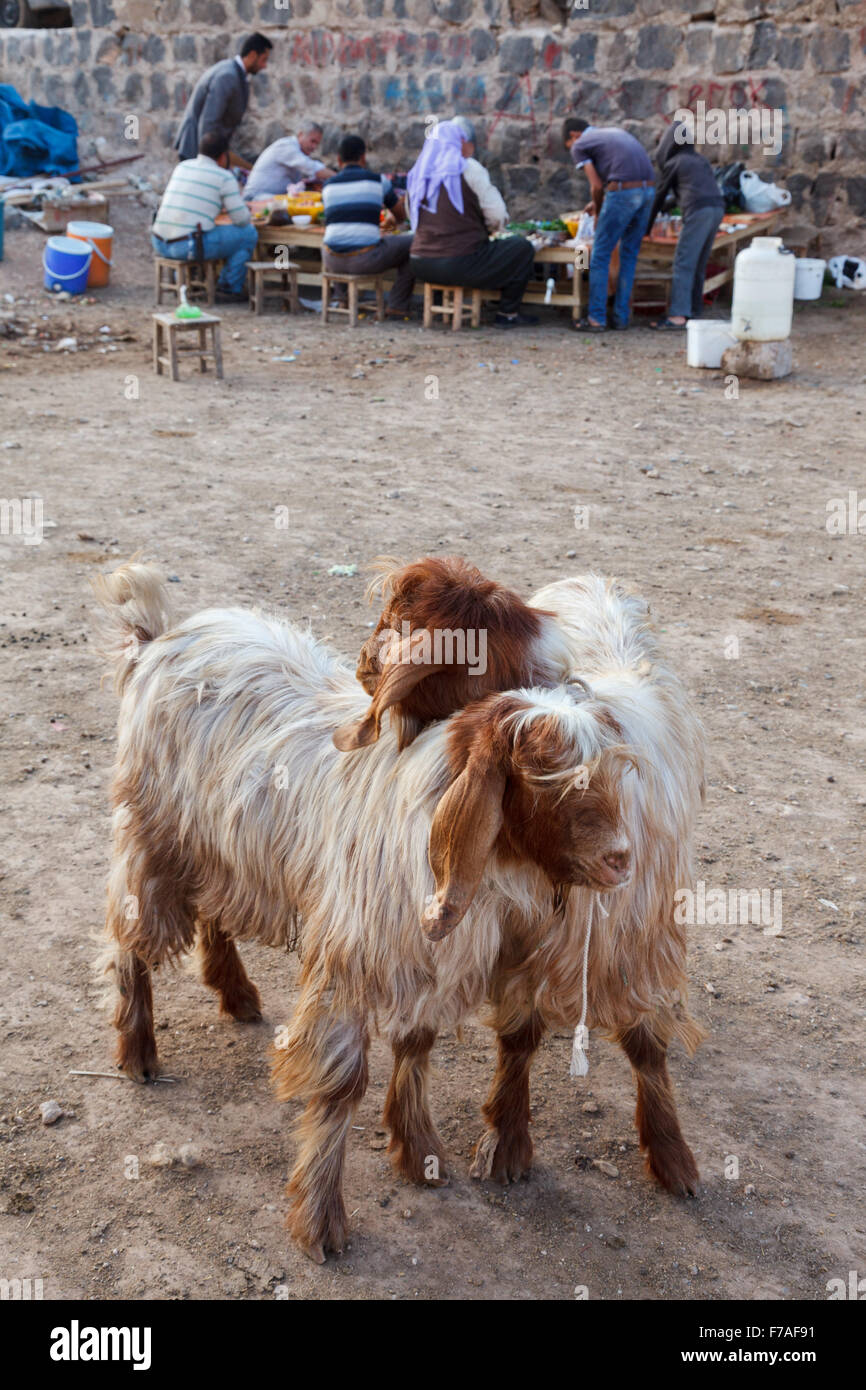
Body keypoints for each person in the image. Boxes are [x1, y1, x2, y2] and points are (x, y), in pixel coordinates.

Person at [406, 117, 537, 329]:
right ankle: (507, 313)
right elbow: (497, 215)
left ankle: (439, 308)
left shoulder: (418, 174)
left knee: (456, 257)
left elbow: (412, 218)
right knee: (521, 248)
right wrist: (492, 230)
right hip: (459, 262)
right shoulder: (468, 168)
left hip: (420, 263)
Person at [562, 117, 655, 332]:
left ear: (574, 136)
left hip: (623, 192)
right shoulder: (614, 133)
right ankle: (621, 318)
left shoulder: (580, 145)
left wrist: (598, 208)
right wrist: (599, 203)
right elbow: (613, 175)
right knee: (629, 254)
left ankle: (596, 318)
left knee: (600, 255)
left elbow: (595, 185)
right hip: (648, 190)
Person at [152, 131, 259, 302]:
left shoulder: (182, 167)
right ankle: (229, 287)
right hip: (187, 246)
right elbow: (241, 219)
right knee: (248, 234)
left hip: (159, 242)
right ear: (223, 156)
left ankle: (194, 280)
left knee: (203, 230)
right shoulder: (224, 177)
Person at [321, 133, 415, 317]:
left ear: (339, 160)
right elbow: (400, 215)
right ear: (363, 158)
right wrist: (392, 222)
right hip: (365, 260)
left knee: (335, 239)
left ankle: (342, 299)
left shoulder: (328, 185)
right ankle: (397, 304)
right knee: (415, 243)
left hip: (331, 260)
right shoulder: (378, 181)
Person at [646, 121, 726, 331]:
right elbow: (689, 190)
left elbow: (659, 197)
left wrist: (644, 229)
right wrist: (669, 205)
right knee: (698, 262)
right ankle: (693, 309)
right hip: (717, 209)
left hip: (699, 212)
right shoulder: (699, 160)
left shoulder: (675, 163)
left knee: (683, 262)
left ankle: (678, 316)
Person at [174, 33, 273, 168]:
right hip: (198, 150)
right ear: (252, 55)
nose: (264, 66)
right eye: (263, 60)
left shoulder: (236, 74)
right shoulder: (228, 76)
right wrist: (209, 160)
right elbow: (209, 121)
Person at [244, 122, 332, 201]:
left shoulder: (298, 152)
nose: (314, 147)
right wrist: (338, 177)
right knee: (297, 203)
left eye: (317, 144)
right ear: (301, 135)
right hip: (255, 197)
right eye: (312, 141)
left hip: (271, 197)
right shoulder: (286, 146)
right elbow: (312, 168)